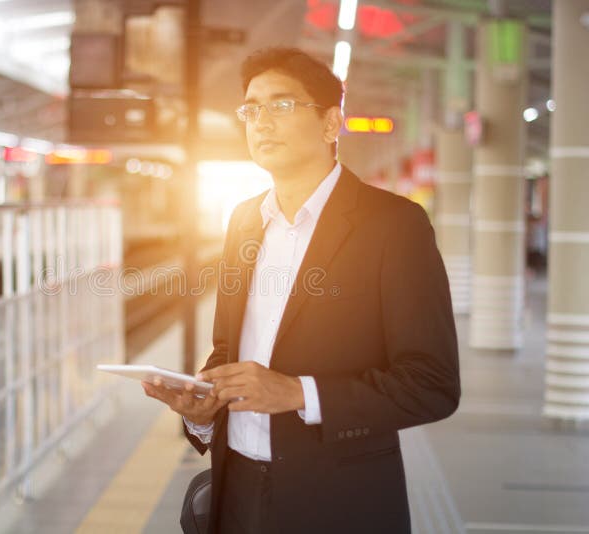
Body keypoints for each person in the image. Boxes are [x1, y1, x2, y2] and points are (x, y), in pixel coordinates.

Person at [142, 47, 460, 533]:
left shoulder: (394, 225)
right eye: (251, 109)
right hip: (236, 493)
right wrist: (202, 410)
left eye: (282, 105)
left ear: (331, 123)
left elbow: (433, 384)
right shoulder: (244, 221)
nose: (261, 122)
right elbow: (227, 350)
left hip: (337, 500)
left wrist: (297, 393)